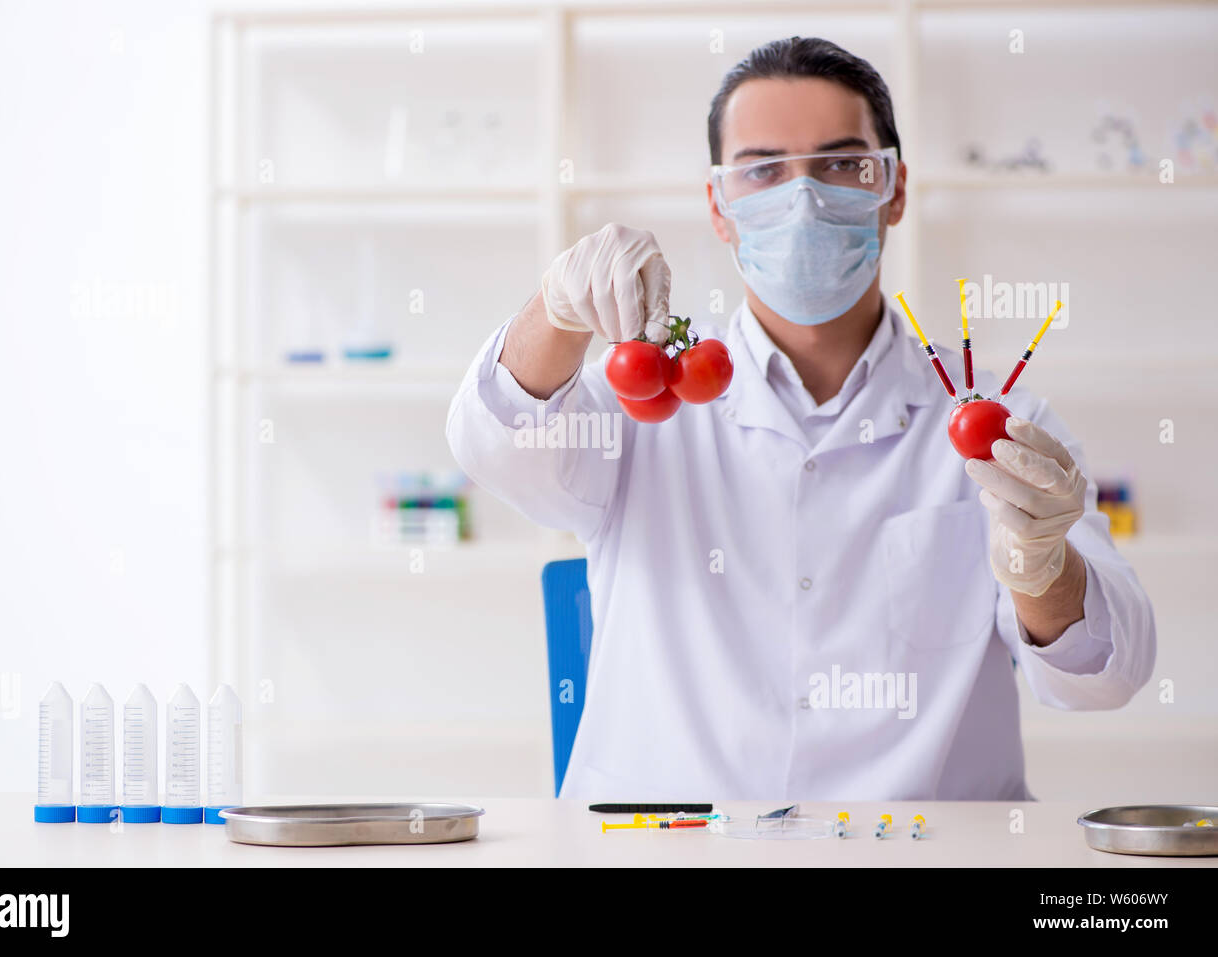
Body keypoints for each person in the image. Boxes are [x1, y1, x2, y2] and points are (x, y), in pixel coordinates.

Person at [445, 37, 1155, 800]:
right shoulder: (642, 398)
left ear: (895, 188)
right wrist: (556, 312)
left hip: (927, 849)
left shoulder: (995, 419)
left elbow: (1106, 673)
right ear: (719, 207)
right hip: (667, 846)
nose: (805, 197)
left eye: (843, 163)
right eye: (763, 169)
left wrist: (1041, 570)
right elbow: (493, 443)